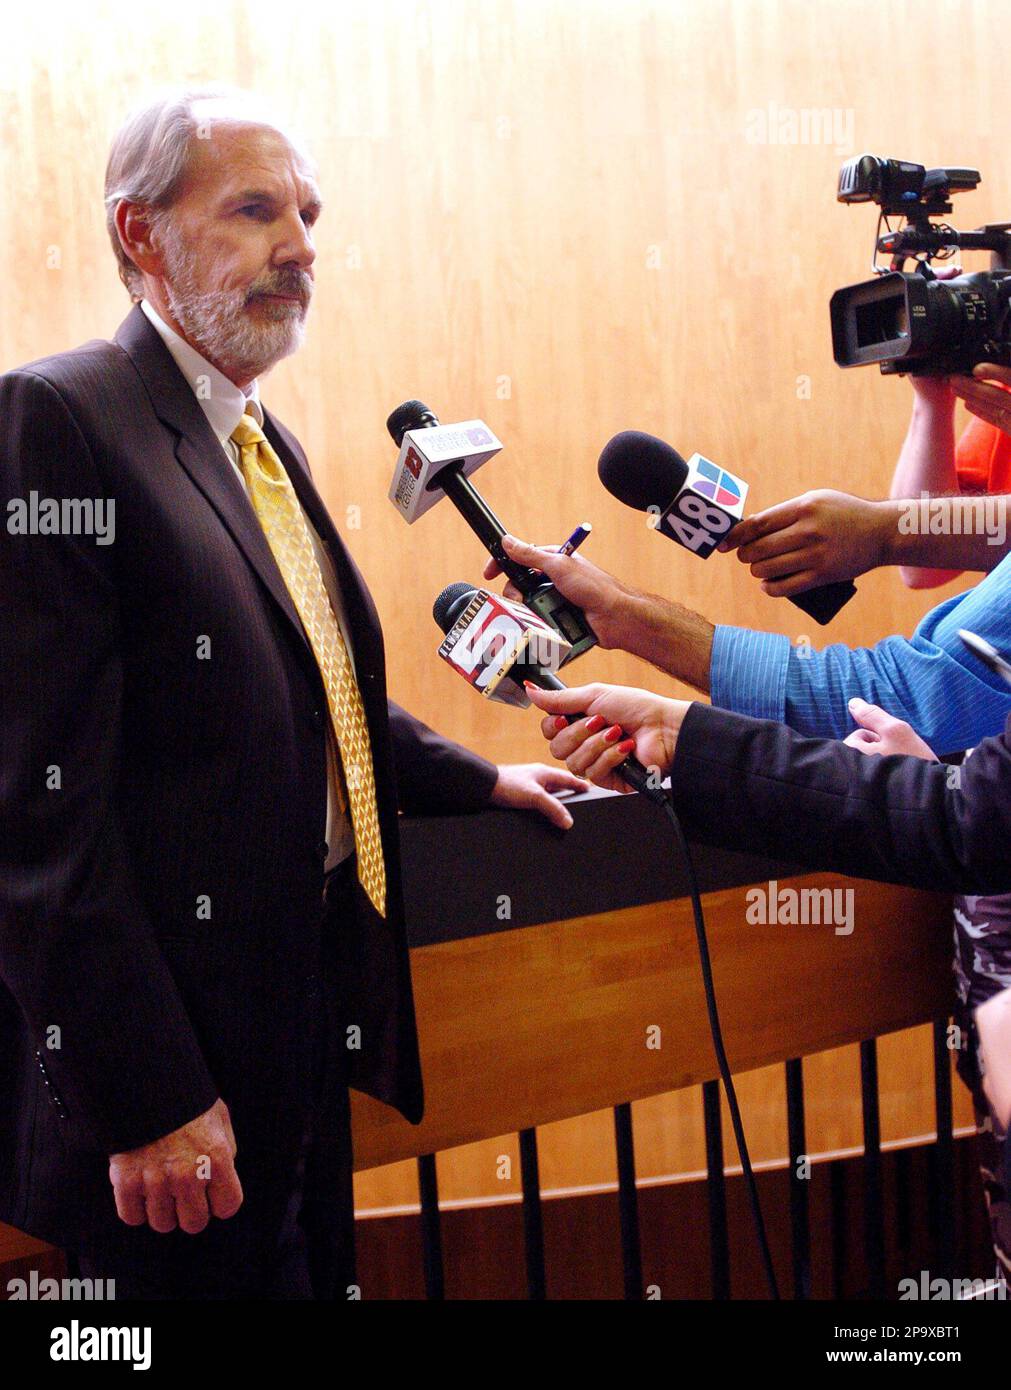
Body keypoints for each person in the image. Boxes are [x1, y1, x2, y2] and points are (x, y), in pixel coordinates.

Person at [0, 85, 587, 1301]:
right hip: (174, 1078)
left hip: (304, 1013)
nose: (301, 247)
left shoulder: (262, 440)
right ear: (139, 235)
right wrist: (145, 1097)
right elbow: (34, 815)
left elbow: (315, 686)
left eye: (308, 214)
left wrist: (479, 775)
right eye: (256, 210)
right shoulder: (60, 417)